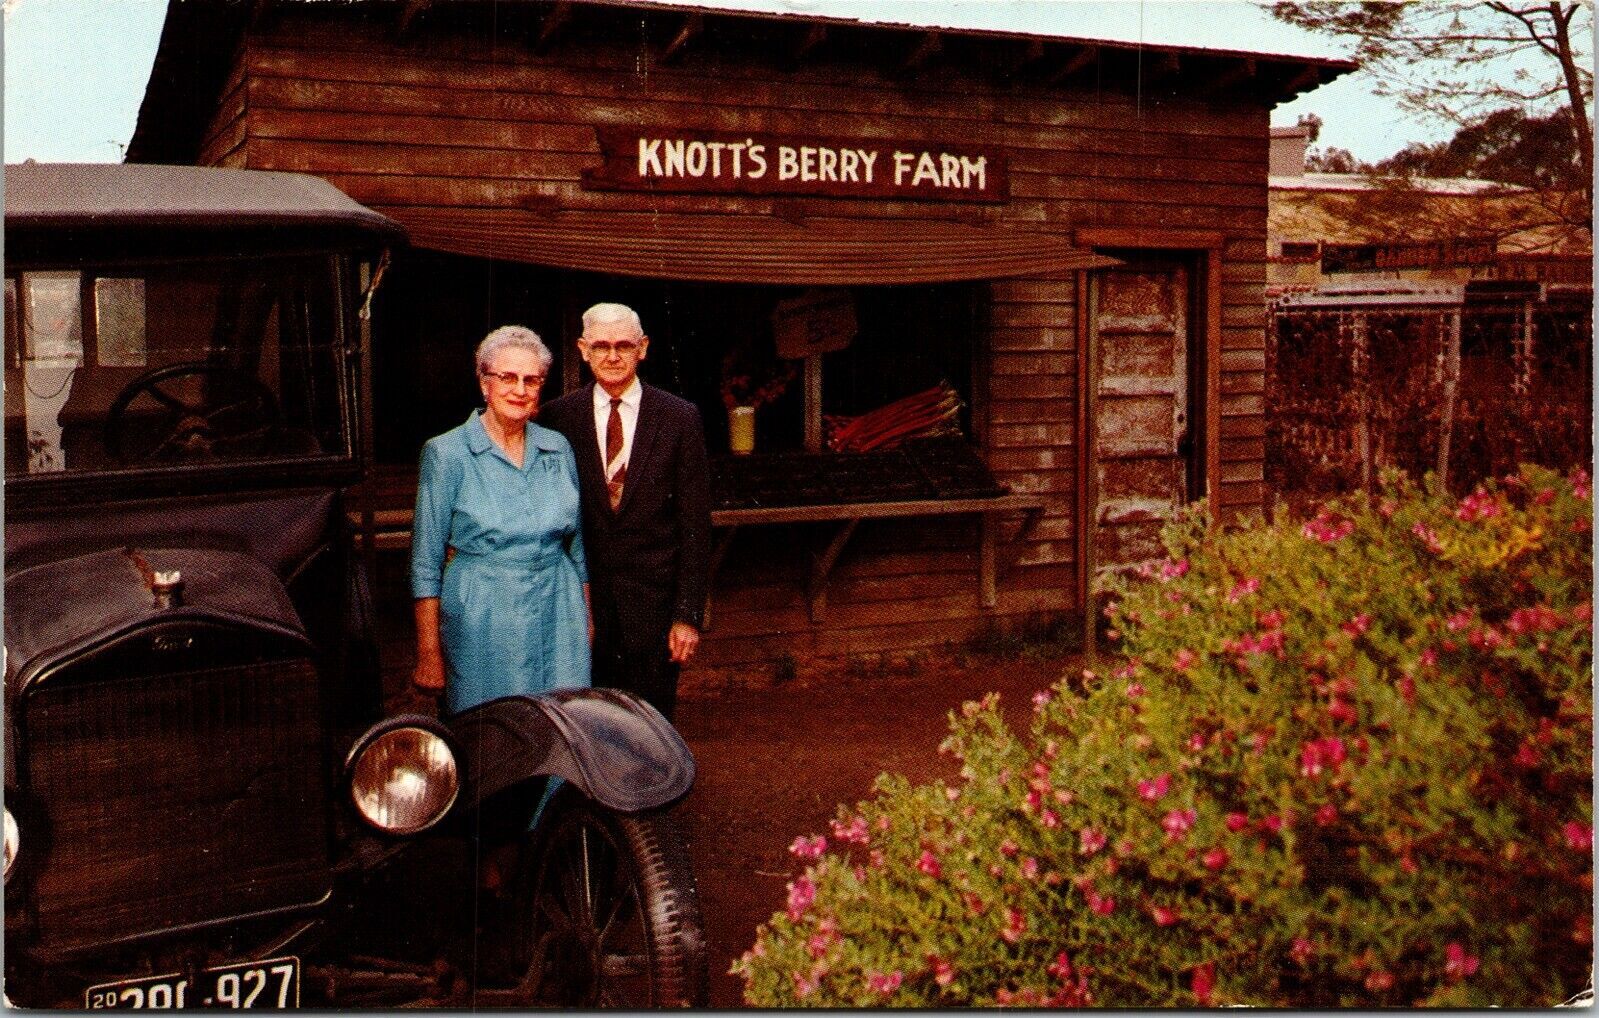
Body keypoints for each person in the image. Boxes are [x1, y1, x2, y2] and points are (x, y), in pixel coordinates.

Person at [540, 302, 711, 720]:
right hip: (584, 607)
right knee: (589, 720)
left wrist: (687, 616)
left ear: (643, 348)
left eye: (623, 345)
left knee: (652, 722)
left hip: (654, 610)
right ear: (583, 349)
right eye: (601, 346)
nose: (612, 356)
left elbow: (695, 525)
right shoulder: (558, 418)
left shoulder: (679, 417)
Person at [410, 325, 590, 717]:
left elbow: (577, 547)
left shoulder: (557, 448)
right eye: (507, 377)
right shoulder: (446, 454)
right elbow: (425, 564)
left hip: (560, 606)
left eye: (531, 379)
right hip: (484, 611)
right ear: (484, 383)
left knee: (565, 720)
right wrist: (429, 653)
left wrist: (586, 620)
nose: (519, 390)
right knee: (490, 723)